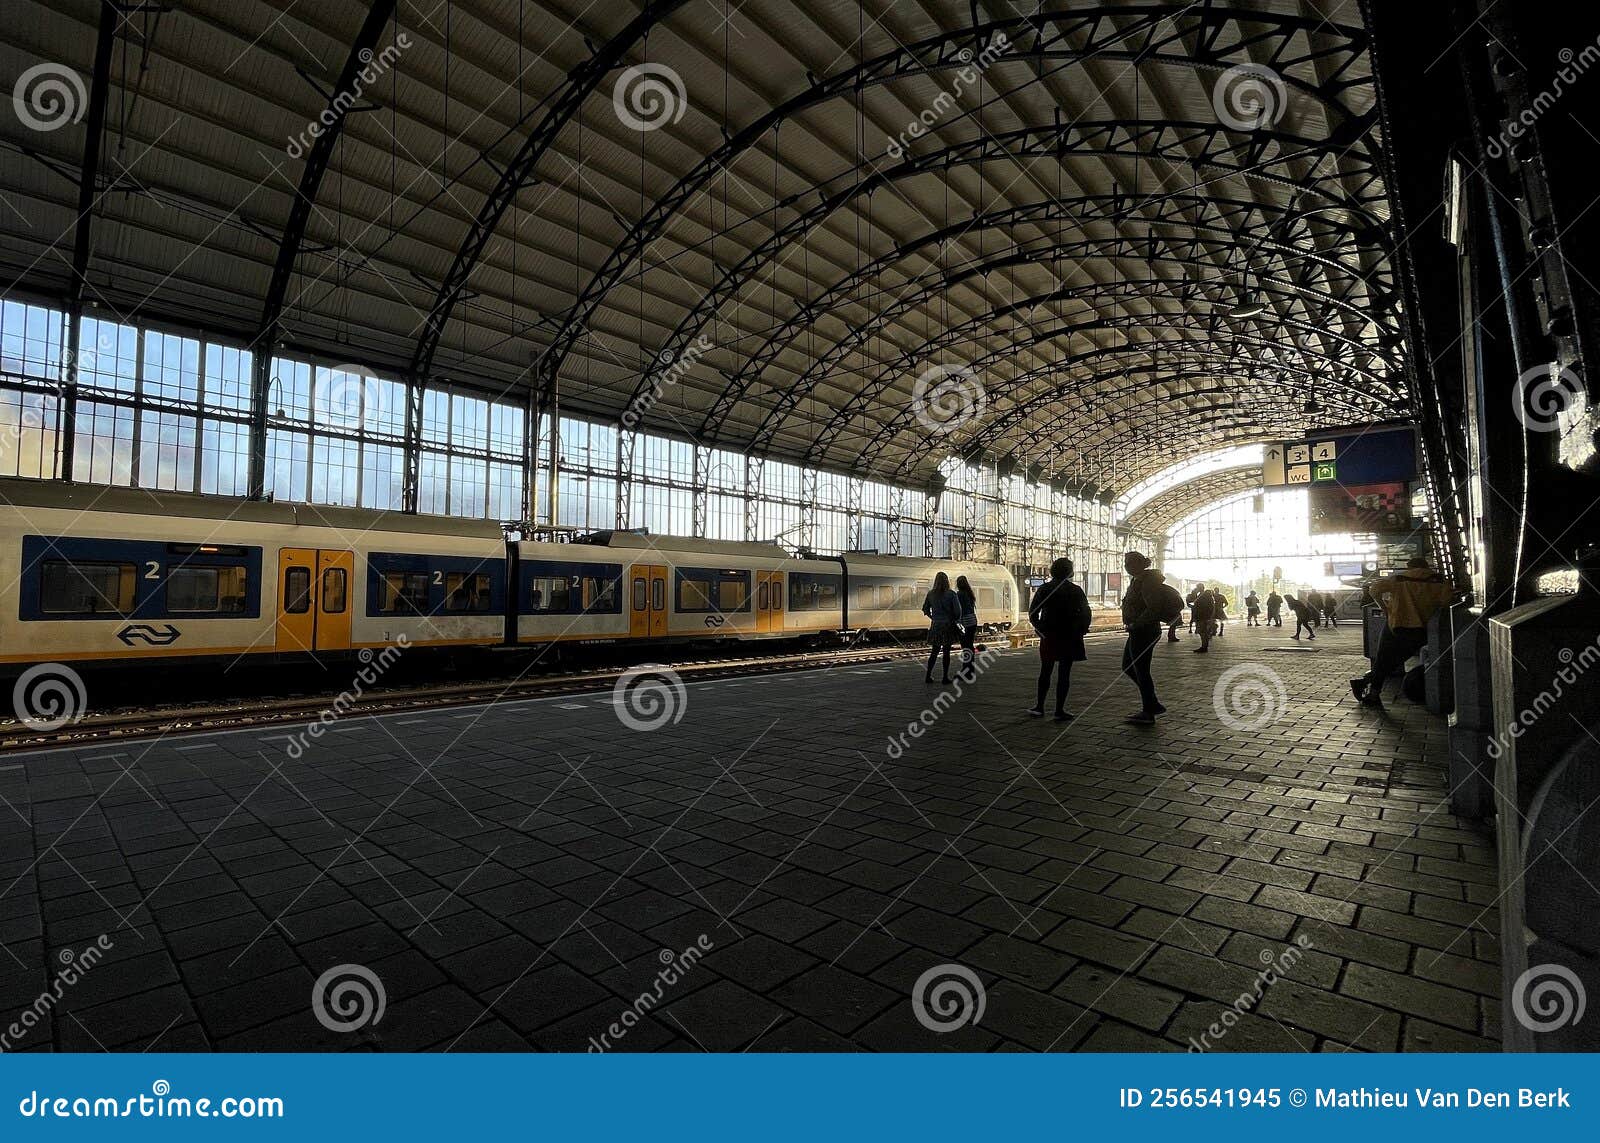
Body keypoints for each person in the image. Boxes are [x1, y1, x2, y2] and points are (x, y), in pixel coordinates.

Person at [1351, 558, 1453, 707]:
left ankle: (1371, 692)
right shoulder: (1438, 581)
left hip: (1395, 625)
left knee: (1383, 659)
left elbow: (1373, 590)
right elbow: (1446, 603)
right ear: (1426, 566)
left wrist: (1385, 609)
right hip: (1421, 629)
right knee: (1394, 661)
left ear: (1409, 567)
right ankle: (1367, 686)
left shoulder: (1400, 579)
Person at [1026, 557, 1091, 721]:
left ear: (1053, 570)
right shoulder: (1076, 590)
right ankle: (1059, 710)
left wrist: (1040, 627)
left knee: (1045, 671)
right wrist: (1082, 629)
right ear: (1069, 571)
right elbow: (1086, 611)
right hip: (1070, 635)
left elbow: (1033, 612)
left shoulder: (1044, 589)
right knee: (1064, 673)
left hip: (1050, 634)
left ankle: (1040, 707)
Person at [1119, 551, 1173, 724]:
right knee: (1129, 666)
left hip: (1144, 630)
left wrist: (1138, 623)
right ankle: (1152, 703)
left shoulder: (1148, 582)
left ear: (1140, 563)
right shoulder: (1138, 580)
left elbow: (1153, 608)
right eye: (1126, 563)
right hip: (1139, 630)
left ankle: (1149, 711)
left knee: (1140, 670)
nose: (1126, 566)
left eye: (1130, 563)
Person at [922, 572, 961, 683]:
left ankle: (928, 675)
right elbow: (958, 612)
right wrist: (954, 619)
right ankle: (945, 677)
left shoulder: (931, 594)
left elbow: (925, 609)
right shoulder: (951, 594)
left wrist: (933, 617)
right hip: (948, 625)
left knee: (934, 651)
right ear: (947, 581)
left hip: (935, 626)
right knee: (946, 652)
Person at [954, 575, 979, 679]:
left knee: (965, 648)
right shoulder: (970, 594)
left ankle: (966, 671)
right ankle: (970, 670)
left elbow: (957, 610)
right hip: (973, 621)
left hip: (964, 623)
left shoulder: (958, 594)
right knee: (970, 647)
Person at [1190, 584, 1216, 653]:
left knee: (1203, 632)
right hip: (1202, 616)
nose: (1196, 588)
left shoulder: (1204, 596)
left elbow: (1201, 605)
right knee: (1202, 632)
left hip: (1202, 616)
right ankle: (1204, 646)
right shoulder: (1203, 595)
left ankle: (1204, 647)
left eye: (1197, 587)